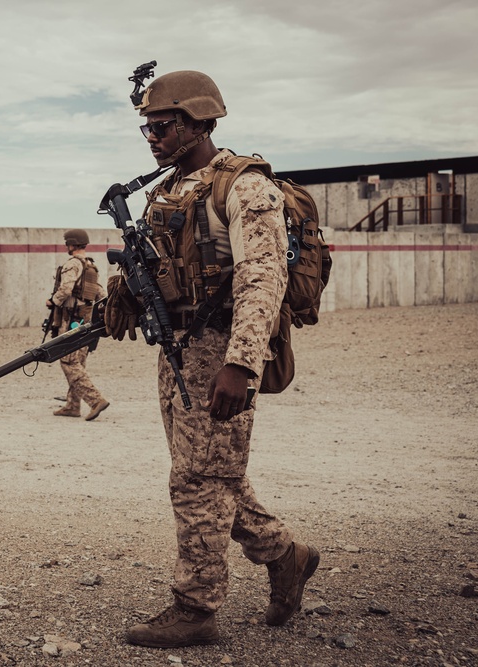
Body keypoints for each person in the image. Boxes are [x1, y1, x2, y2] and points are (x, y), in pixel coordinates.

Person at [103, 70, 320, 648]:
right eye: (146, 126)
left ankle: (196, 608)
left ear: (201, 121)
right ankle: (286, 555)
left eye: (163, 124)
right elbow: (151, 266)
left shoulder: (245, 187)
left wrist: (242, 363)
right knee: (210, 475)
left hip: (221, 348)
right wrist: (116, 300)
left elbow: (262, 276)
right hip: (175, 349)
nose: (151, 135)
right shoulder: (167, 189)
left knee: (196, 481)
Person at [46, 229, 110, 421]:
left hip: (71, 319)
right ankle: (73, 406)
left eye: (68, 243)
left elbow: (66, 288)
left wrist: (53, 301)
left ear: (72, 244)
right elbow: (100, 293)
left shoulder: (73, 264)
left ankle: (95, 400)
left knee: (68, 361)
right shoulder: (90, 265)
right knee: (78, 362)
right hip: (85, 319)